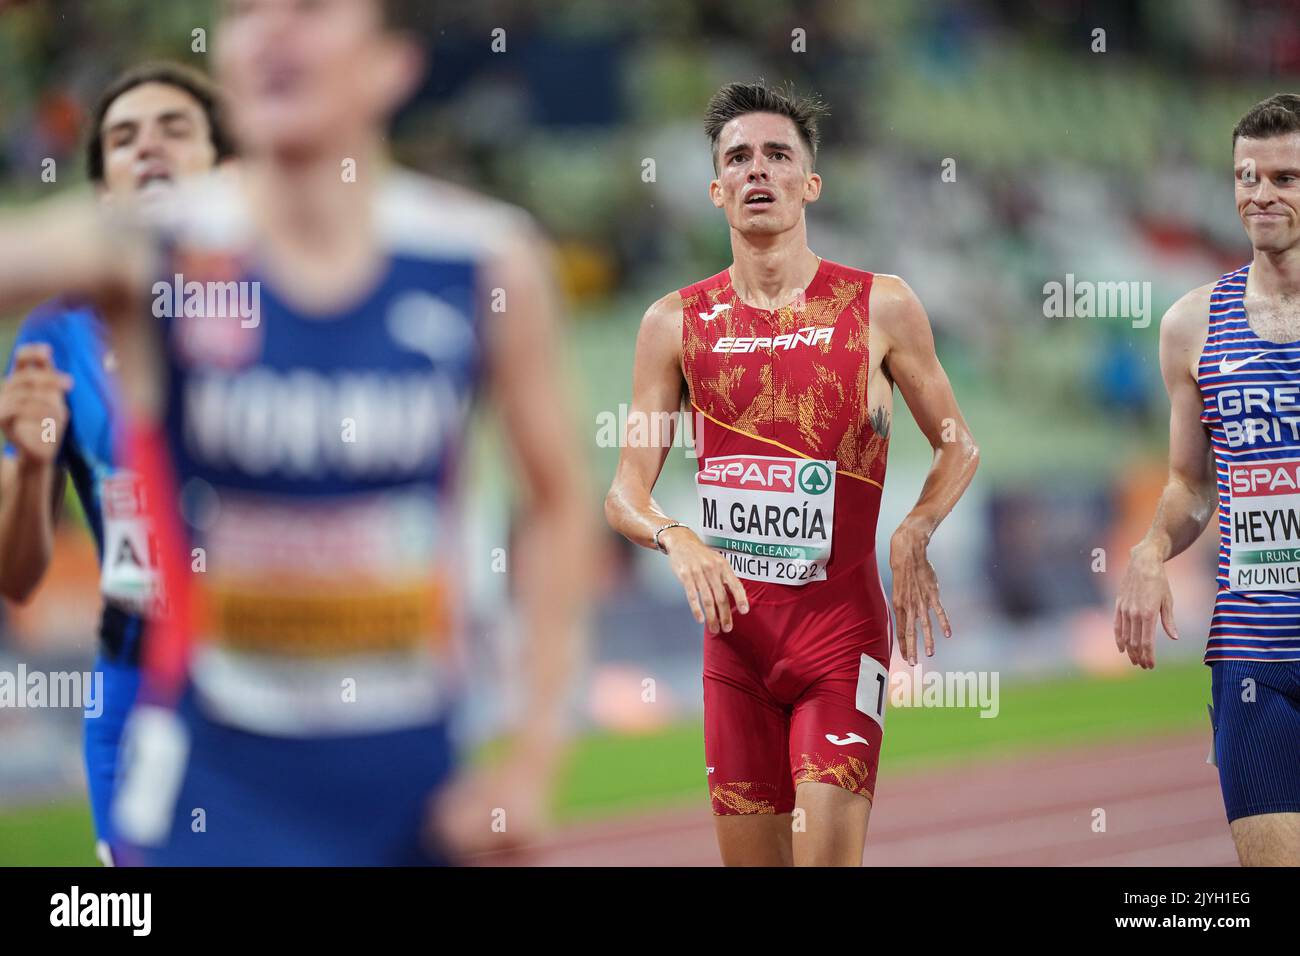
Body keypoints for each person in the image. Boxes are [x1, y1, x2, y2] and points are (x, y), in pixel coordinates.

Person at [0, 0, 592, 865]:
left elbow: (560, 501)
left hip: (415, 789)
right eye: (244, 10)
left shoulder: (483, 261)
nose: (271, 30)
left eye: (310, 8)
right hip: (212, 783)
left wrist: (533, 758)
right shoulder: (148, 251)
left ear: (392, 64)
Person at [605, 81, 979, 866]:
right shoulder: (673, 324)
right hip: (734, 652)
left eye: (778, 155)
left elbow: (958, 445)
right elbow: (624, 493)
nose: (757, 171)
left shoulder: (881, 306)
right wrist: (678, 539)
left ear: (811, 183)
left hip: (842, 642)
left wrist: (916, 525)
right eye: (738, 158)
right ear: (715, 190)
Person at [0, 61, 235, 865]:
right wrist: (30, 470)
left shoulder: (291, 294)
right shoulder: (53, 334)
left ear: (226, 166)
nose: (149, 150)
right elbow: (17, 577)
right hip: (136, 688)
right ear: (102, 195)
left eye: (176, 129)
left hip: (287, 688)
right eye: (123, 140)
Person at [1115, 93, 1300, 867]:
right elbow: (1190, 485)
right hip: (1254, 658)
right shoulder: (1192, 322)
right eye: (1247, 175)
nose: (1262, 193)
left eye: (1286, 176)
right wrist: (1151, 549)